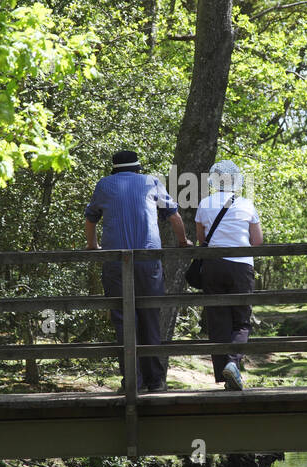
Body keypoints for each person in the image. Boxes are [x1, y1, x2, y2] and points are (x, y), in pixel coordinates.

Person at [84, 149, 190, 393]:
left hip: (116, 262)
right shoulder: (151, 182)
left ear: (115, 169)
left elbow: (91, 218)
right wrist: (183, 242)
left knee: (123, 321)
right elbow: (173, 216)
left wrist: (92, 246)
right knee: (150, 318)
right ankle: (156, 381)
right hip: (148, 261)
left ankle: (133, 382)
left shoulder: (104, 184)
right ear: (137, 168)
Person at [195, 159, 262, 390]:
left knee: (218, 320)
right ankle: (233, 364)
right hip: (241, 267)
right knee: (242, 321)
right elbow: (257, 241)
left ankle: (224, 377)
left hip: (213, 266)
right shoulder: (247, 204)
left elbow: (201, 240)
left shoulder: (204, 203)